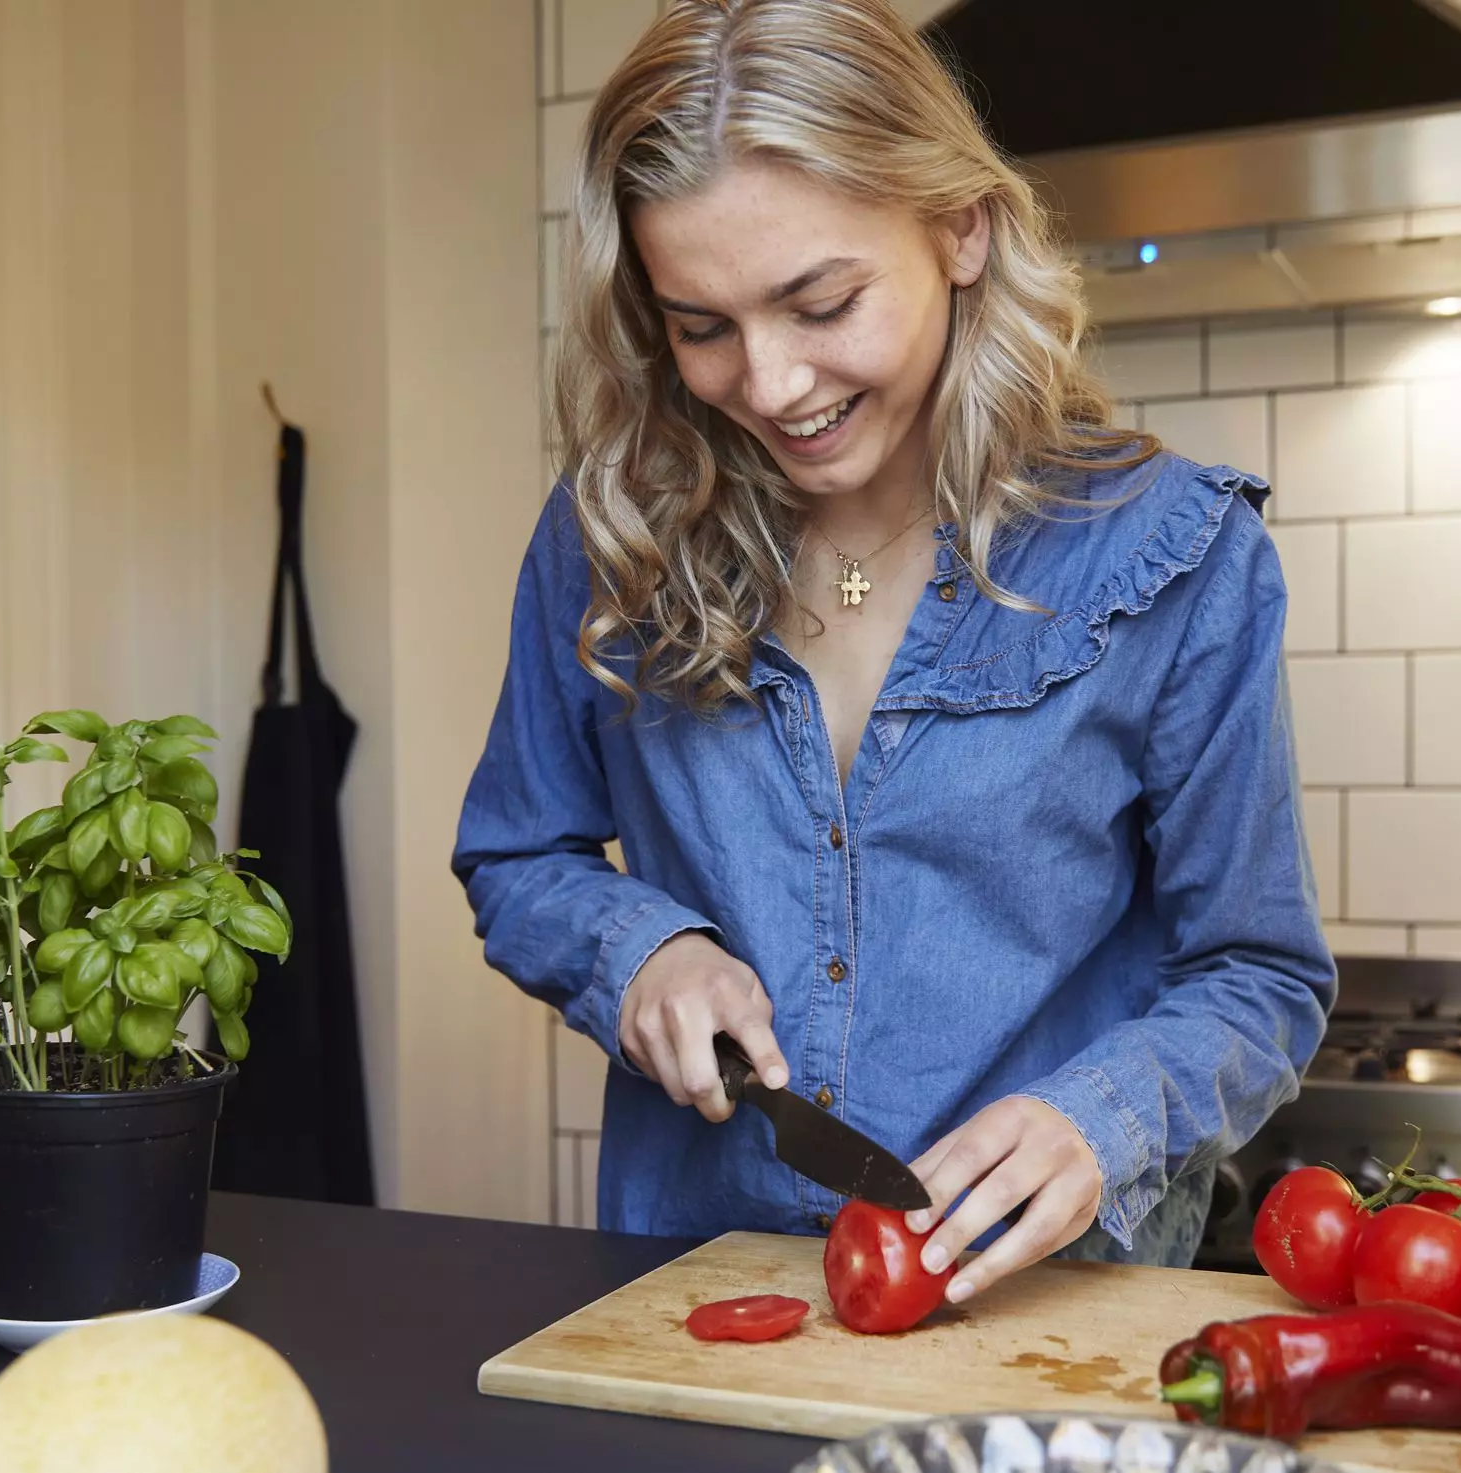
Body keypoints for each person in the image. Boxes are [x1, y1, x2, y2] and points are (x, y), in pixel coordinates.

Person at [453, 0, 1334, 1306]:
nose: (771, 383)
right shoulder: (610, 538)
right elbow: (519, 852)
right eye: (702, 326)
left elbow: (1259, 975)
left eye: (822, 302)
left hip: (1046, 1315)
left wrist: (1105, 1117)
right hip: (694, 1293)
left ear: (961, 229)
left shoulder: (1174, 557)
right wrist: (640, 948)